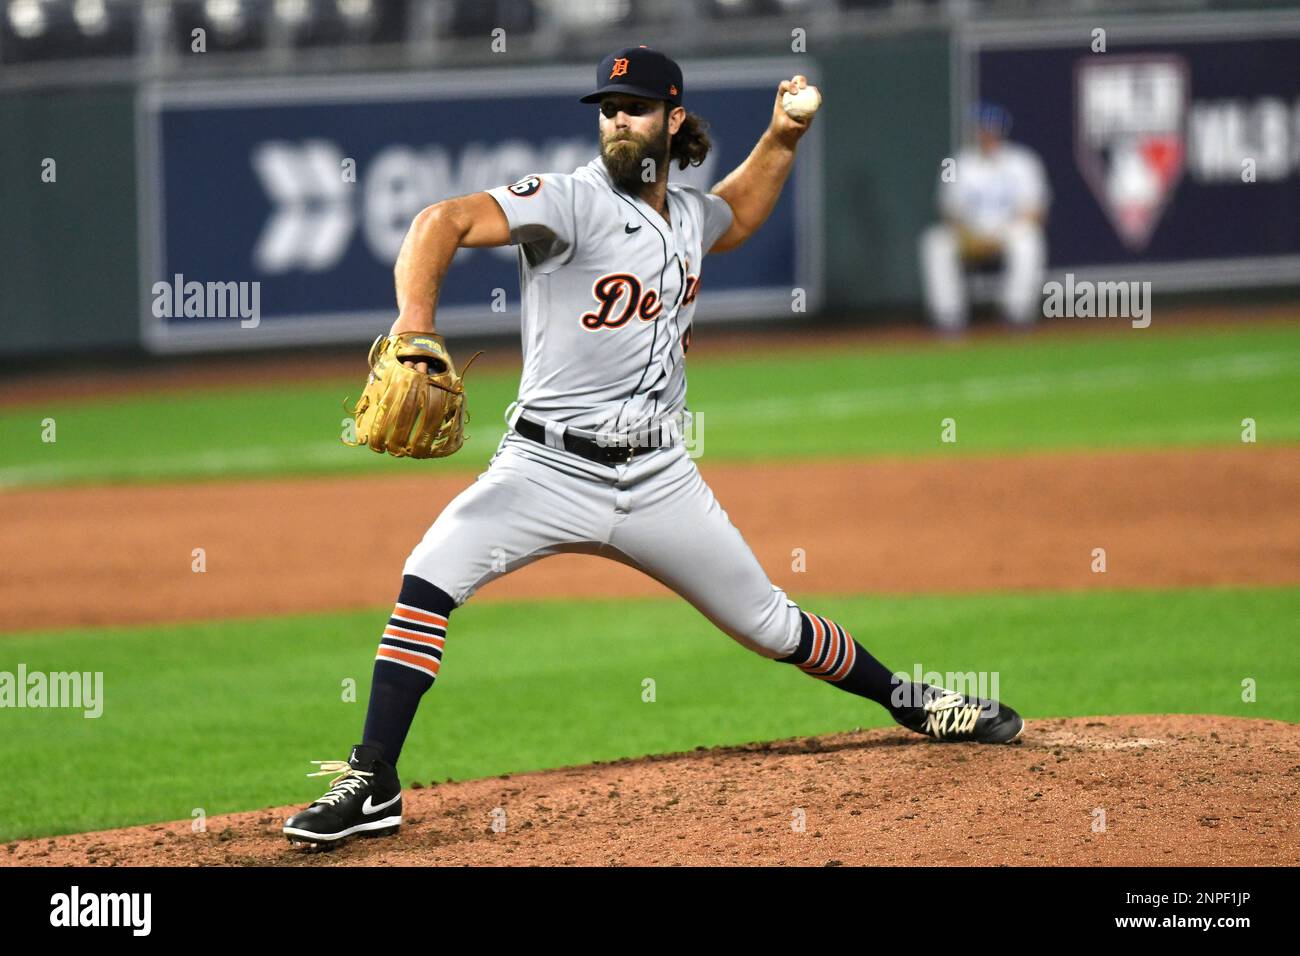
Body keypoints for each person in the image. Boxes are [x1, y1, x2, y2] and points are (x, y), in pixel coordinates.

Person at [283, 47, 1025, 849]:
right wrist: (416, 326)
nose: (617, 121)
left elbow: (736, 215)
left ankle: (911, 700)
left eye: (634, 107)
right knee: (429, 576)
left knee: (772, 625)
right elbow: (443, 221)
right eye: (607, 108)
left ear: (673, 121)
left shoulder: (688, 215)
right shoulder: (569, 201)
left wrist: (781, 136)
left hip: (658, 477)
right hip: (544, 466)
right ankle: (373, 780)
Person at [919, 103, 1050, 332]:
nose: (986, 133)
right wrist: (967, 235)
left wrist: (997, 237)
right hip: (968, 230)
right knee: (934, 241)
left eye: (991, 128)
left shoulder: (1023, 160)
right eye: (981, 128)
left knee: (1028, 237)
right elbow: (948, 208)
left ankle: (1017, 312)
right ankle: (948, 316)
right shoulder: (954, 162)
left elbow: (1035, 209)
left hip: (1007, 229)